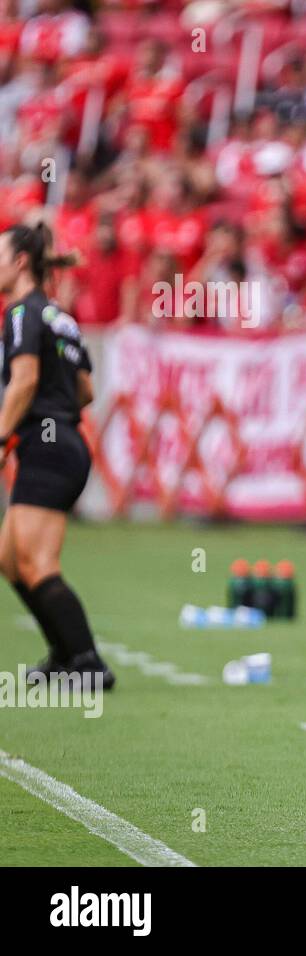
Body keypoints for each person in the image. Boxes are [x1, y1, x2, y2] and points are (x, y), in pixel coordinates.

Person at [0, 221, 114, 688]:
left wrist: (3, 434)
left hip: (47, 446)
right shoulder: (59, 316)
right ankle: (63, 654)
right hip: (62, 441)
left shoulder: (22, 314)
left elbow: (24, 380)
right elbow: (84, 390)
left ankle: (88, 663)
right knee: (10, 558)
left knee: (37, 561)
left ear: (21, 261)